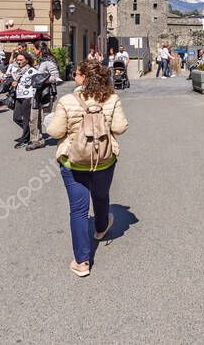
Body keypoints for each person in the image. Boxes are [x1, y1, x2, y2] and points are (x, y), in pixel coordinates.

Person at [47, 60, 128, 278]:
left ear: (84, 78)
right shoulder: (112, 99)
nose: (74, 76)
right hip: (104, 159)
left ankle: (82, 261)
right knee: (101, 195)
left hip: (74, 160)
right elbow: (120, 127)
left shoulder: (67, 100)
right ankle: (101, 228)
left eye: (77, 74)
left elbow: (55, 132)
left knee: (78, 209)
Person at [10, 51, 40, 149]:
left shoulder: (32, 70)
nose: (19, 62)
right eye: (17, 60)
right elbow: (16, 80)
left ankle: (26, 138)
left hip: (28, 96)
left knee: (27, 119)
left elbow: (38, 82)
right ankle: (29, 133)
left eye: (21, 60)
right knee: (16, 117)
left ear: (27, 60)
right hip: (19, 96)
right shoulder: (19, 70)